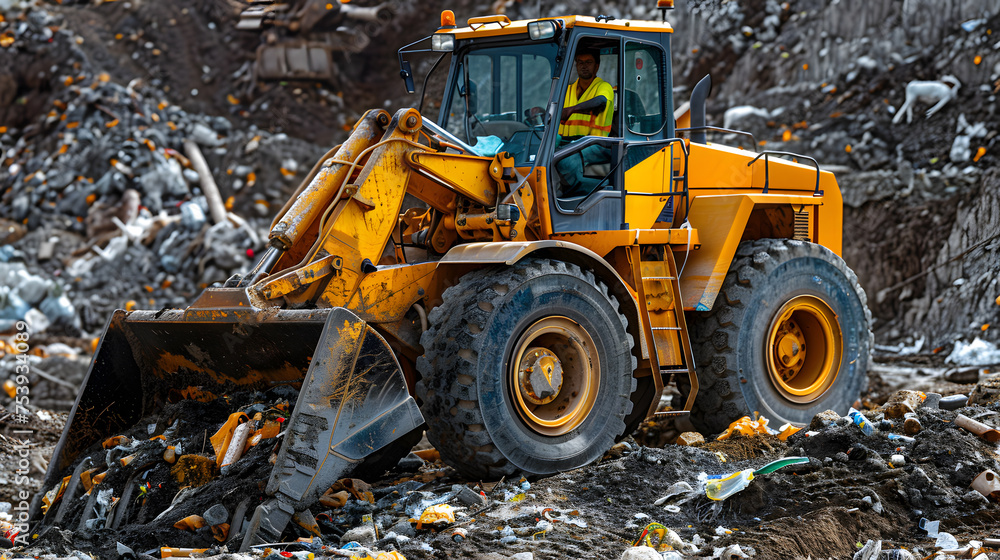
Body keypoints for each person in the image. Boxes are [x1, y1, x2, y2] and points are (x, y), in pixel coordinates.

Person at [555, 47, 614, 198]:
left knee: (566, 162)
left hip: (596, 143)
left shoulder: (603, 87)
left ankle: (604, 192)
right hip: (568, 142)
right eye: (580, 62)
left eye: (588, 62)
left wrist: (572, 110)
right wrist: (541, 110)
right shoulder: (567, 90)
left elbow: (600, 102)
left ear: (597, 66)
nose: (584, 65)